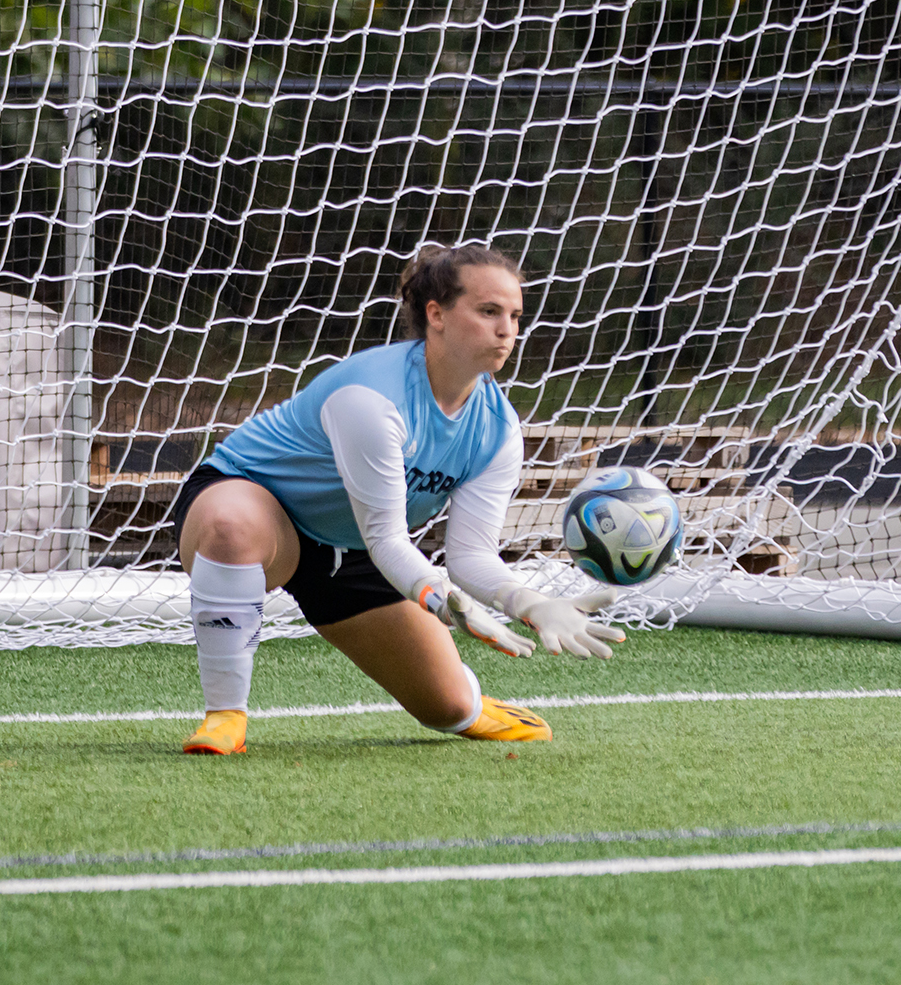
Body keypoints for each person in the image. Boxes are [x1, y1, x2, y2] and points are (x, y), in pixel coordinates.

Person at [166, 242, 625, 755]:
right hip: (264, 512)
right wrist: (441, 598)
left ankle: (471, 701)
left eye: (515, 316)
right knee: (231, 525)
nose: (506, 330)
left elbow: (470, 555)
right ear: (437, 315)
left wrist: (531, 604)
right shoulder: (374, 397)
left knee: (450, 708)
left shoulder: (498, 431)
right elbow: (387, 537)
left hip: (353, 547)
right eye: (489, 311)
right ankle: (224, 716)